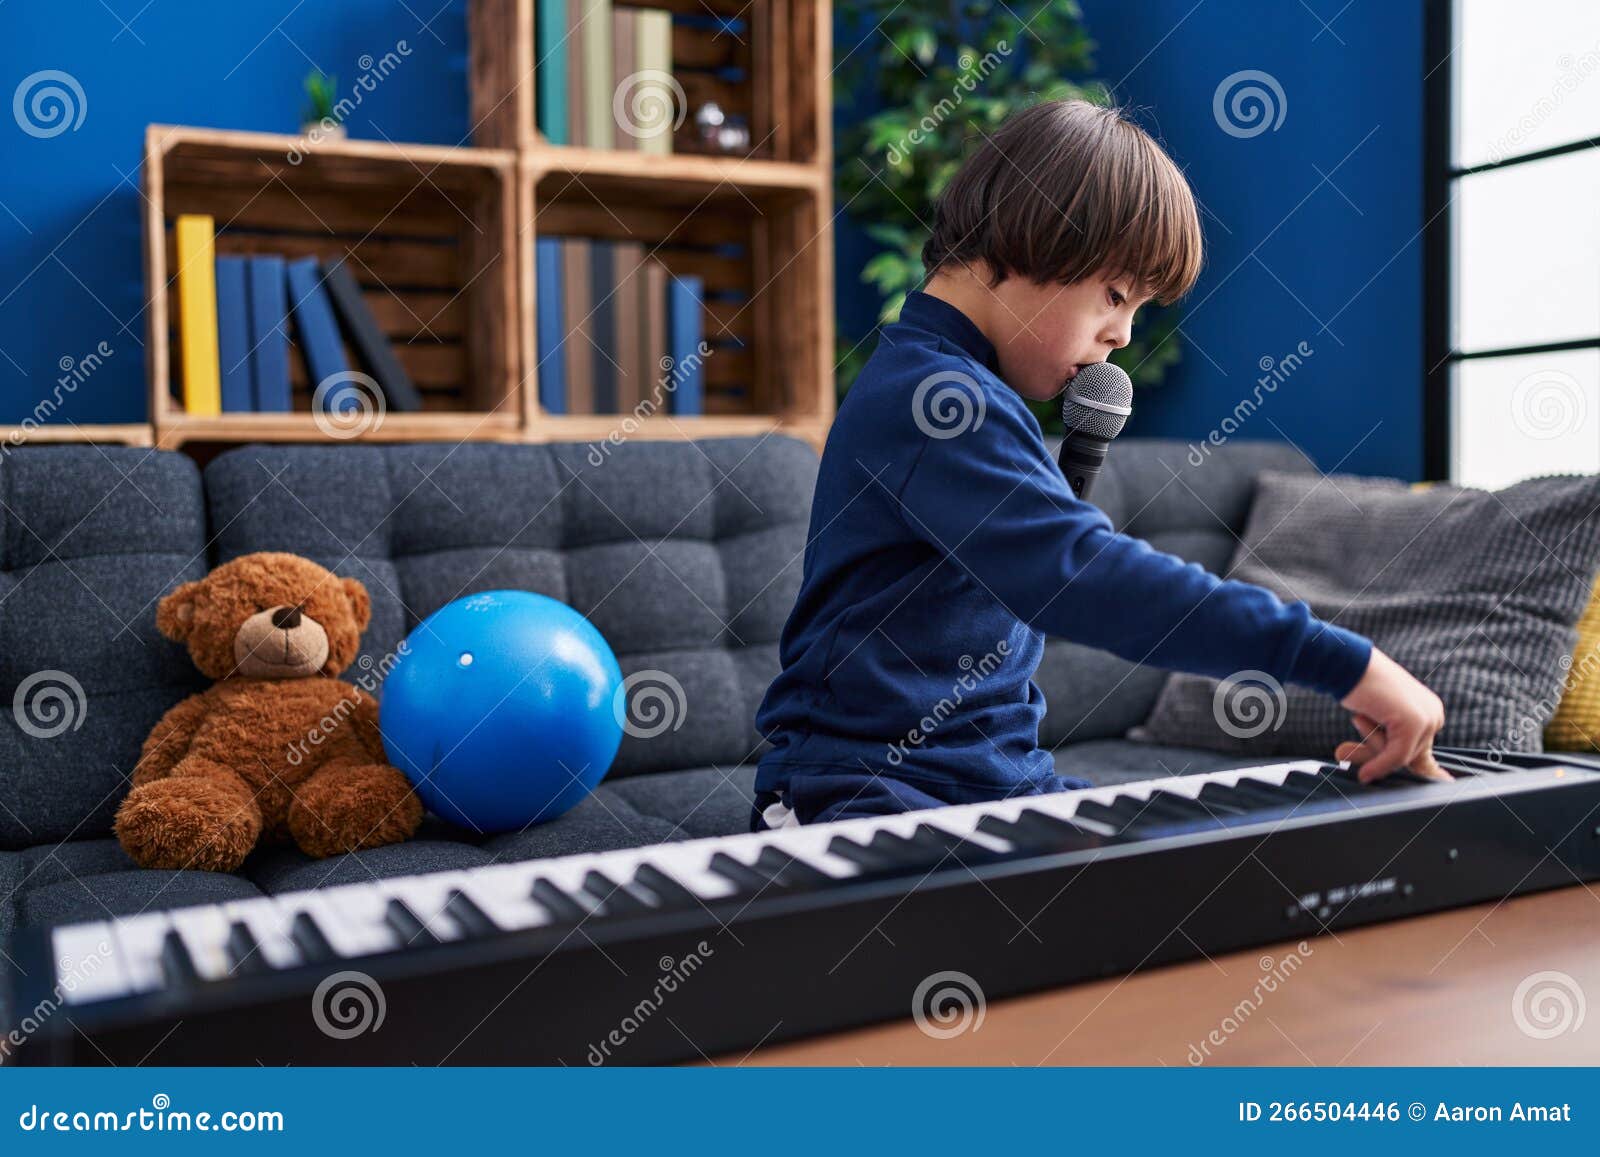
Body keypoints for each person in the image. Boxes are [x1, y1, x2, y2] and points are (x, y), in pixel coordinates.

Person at [750, 99, 1447, 831]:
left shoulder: (956, 389)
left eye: (1139, 307)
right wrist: (1344, 662)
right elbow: (1085, 576)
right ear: (1026, 240)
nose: (1121, 333)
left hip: (993, 783)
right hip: (865, 794)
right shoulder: (935, 399)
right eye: (1116, 294)